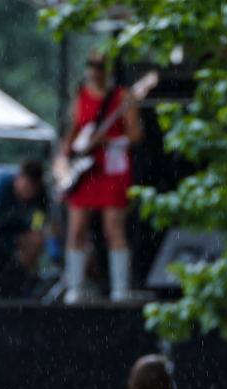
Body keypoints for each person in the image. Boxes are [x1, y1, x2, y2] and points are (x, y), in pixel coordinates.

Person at [60, 53, 144, 304]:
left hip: (112, 169)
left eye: (98, 66)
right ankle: (75, 287)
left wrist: (109, 141)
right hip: (86, 170)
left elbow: (136, 135)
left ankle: (120, 288)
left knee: (113, 228)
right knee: (76, 230)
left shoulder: (122, 96)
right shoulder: (81, 95)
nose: (93, 71)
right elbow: (75, 129)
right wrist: (66, 152)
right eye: (90, 65)